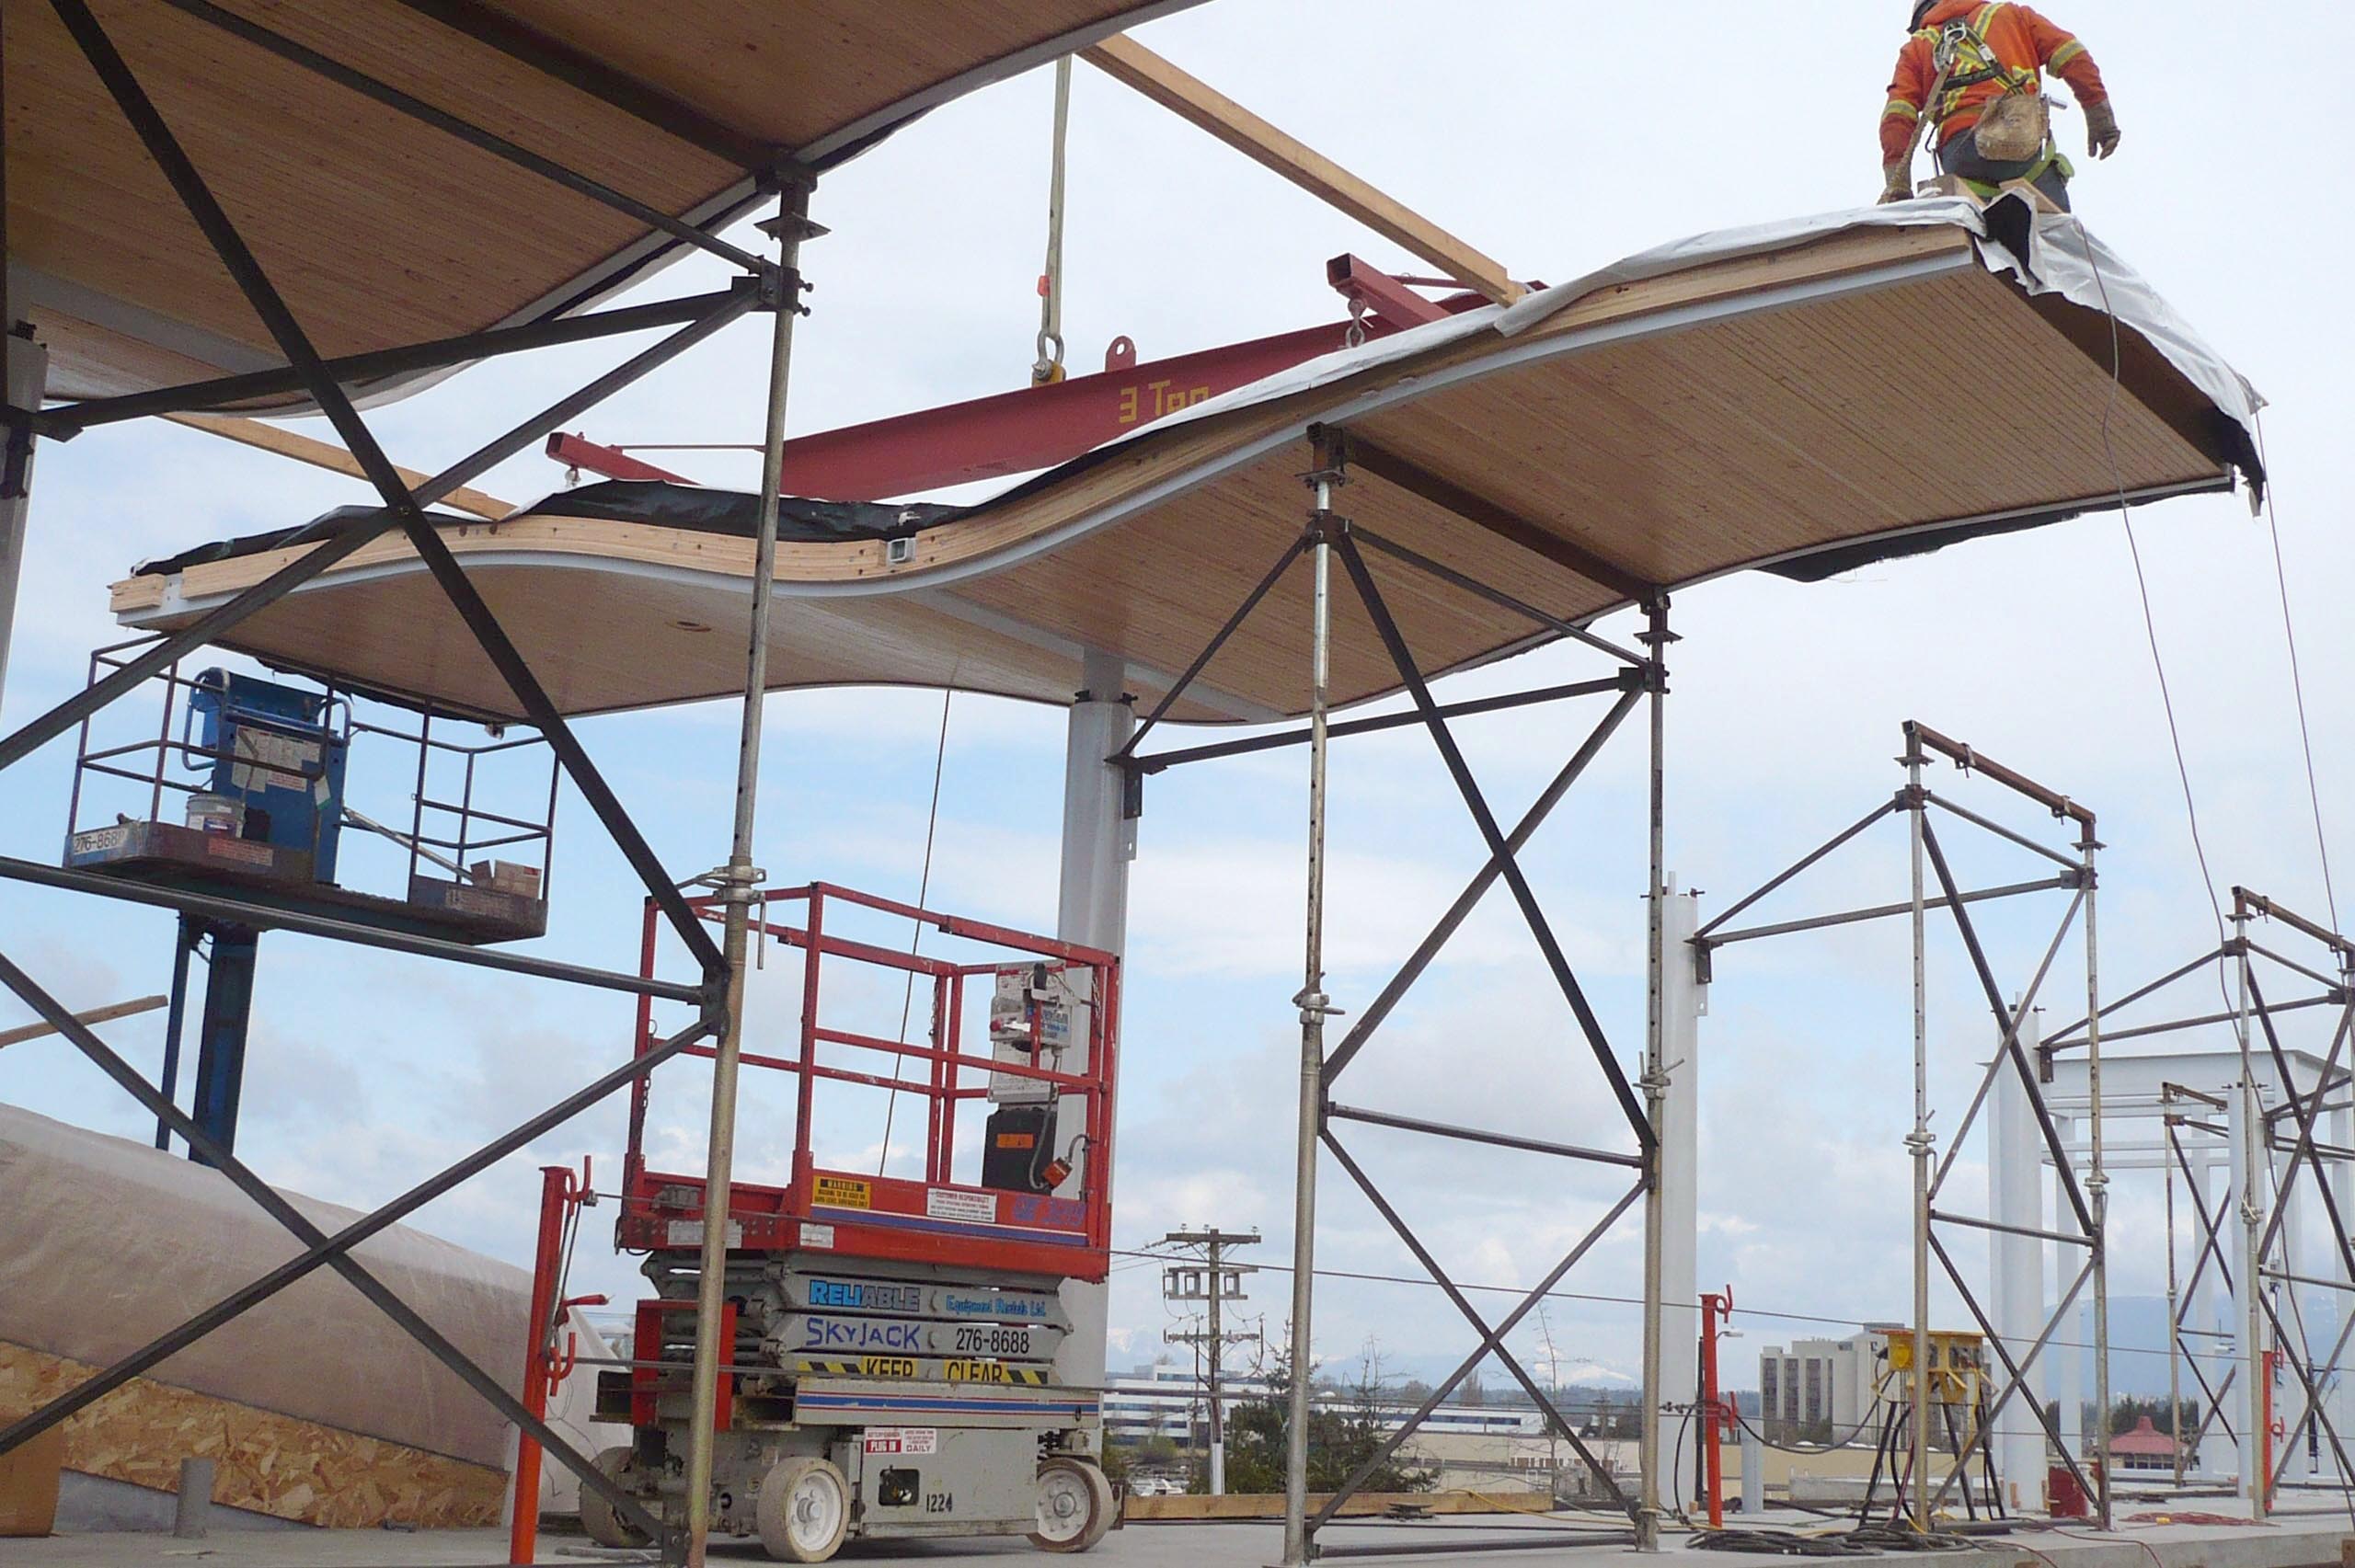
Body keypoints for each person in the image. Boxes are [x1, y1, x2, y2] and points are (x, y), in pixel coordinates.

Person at [1879, 1, 2119, 210]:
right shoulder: (2010, 15)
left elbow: (1897, 116)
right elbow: (2072, 56)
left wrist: (1897, 184)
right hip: (2018, 141)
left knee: (1978, 235)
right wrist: (2099, 116)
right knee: (2054, 234)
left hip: (1962, 153)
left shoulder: (1918, 45)